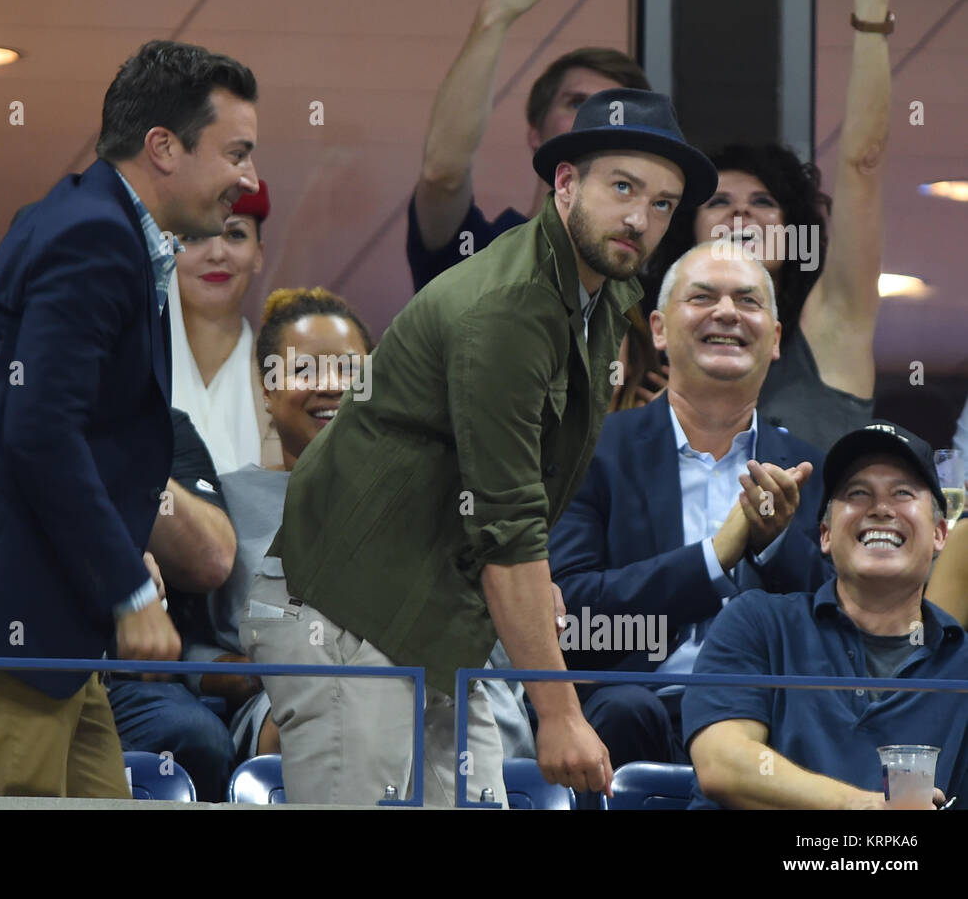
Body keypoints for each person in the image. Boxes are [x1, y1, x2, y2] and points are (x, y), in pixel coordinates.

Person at [253, 88, 716, 805]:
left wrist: (534, 587)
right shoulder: (509, 307)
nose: (639, 218)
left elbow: (517, 497)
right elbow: (508, 526)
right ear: (565, 184)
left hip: (437, 617)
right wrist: (559, 714)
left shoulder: (600, 299)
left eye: (662, 203)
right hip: (343, 611)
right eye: (622, 186)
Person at [0, 39, 258, 797]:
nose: (250, 178)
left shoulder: (100, 223)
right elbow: (39, 431)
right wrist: (129, 589)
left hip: (34, 620)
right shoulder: (93, 235)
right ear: (164, 148)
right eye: (237, 152)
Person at [0, 379, 240, 798]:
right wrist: (108, 557)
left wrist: (111, 449)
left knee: (197, 736)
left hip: (117, 676)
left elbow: (212, 557)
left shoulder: (155, 427)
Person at [548, 242, 830, 768]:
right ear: (658, 329)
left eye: (748, 301)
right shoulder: (590, 453)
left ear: (774, 339)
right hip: (638, 718)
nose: (726, 312)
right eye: (702, 297)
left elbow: (840, 634)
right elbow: (571, 621)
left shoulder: (816, 471)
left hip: (773, 725)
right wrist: (713, 559)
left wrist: (771, 549)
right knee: (624, 711)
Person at [644, 0, 932, 452]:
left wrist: (870, 9)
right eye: (717, 203)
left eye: (762, 202)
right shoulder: (645, 362)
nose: (739, 212)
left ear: (791, 230)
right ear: (686, 233)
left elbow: (862, 166)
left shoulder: (828, 332)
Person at [685, 421, 968, 809]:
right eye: (857, 493)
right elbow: (722, 764)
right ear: (825, 535)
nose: (882, 509)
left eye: (903, 493)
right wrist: (862, 806)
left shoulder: (961, 663)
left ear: (939, 533)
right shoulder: (758, 622)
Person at [175, 287, 373, 762]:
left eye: (350, 370)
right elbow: (185, 647)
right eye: (304, 369)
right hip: (285, 705)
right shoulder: (223, 505)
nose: (331, 385)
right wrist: (232, 672)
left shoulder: (423, 496)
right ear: (267, 389)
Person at [409, 0, 651, 292]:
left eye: (615, 113)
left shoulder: (651, 289)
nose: (595, 121)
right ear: (536, 132)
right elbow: (442, 174)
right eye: (576, 104)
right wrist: (495, 17)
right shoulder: (478, 253)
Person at [170, 182, 282, 473]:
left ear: (258, 254)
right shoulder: (127, 368)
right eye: (193, 236)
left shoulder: (284, 374)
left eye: (234, 234)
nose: (217, 254)